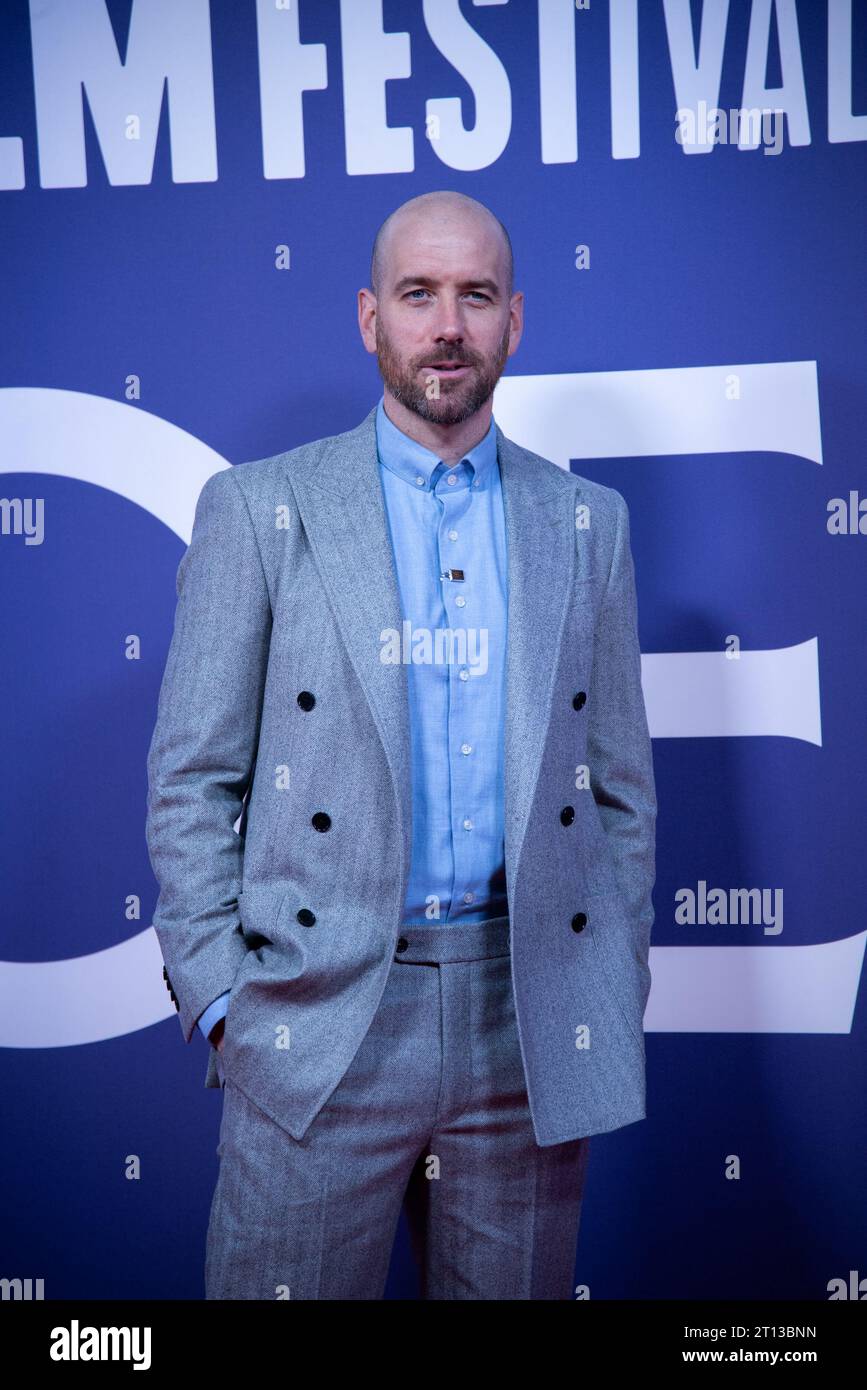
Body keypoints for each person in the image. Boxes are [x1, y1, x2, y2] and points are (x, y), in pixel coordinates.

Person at [146, 190, 657, 1300]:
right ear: (369, 317)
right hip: (321, 1015)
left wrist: (603, 972)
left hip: (525, 1016)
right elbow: (192, 777)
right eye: (419, 294)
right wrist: (229, 1003)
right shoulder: (262, 507)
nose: (447, 326)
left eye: (475, 296)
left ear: (515, 321)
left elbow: (618, 788)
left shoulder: (588, 524)